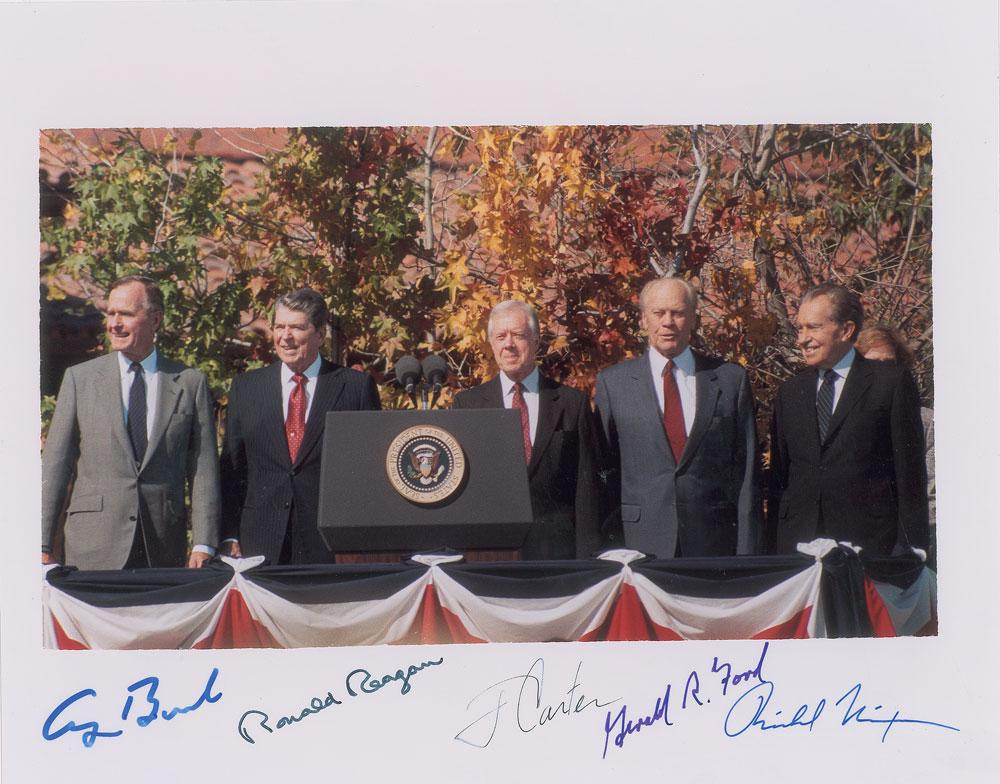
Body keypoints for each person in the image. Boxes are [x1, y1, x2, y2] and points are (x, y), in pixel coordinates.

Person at [41, 275, 221, 569]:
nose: (114, 323)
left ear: (155, 320)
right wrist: (43, 543)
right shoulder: (80, 379)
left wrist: (203, 544)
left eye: (125, 314)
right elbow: (56, 465)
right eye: (110, 313)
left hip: (162, 547)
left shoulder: (190, 383)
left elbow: (203, 470)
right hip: (93, 546)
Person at [595, 277, 762, 558]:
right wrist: (609, 550)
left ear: (694, 319)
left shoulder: (730, 380)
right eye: (659, 313)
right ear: (643, 320)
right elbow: (602, 474)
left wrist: (747, 552)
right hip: (639, 544)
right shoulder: (614, 384)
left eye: (678, 312)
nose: (668, 322)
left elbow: (746, 473)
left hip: (714, 542)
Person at [220, 288, 381, 564]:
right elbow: (232, 469)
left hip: (330, 543)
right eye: (279, 327)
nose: (285, 337)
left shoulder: (354, 386)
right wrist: (229, 534)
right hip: (260, 541)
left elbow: (370, 468)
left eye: (296, 327)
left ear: (320, 334)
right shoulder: (247, 388)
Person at [767, 283, 929, 556]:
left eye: (813, 327)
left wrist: (911, 550)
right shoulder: (790, 393)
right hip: (798, 549)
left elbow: (910, 476)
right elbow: (780, 480)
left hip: (871, 547)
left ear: (846, 330)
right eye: (800, 328)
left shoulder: (889, 383)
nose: (802, 339)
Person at [452, 300, 602, 559]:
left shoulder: (571, 403)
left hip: (558, 551)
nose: (508, 344)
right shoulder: (468, 405)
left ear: (536, 341)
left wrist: (588, 559)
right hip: (489, 554)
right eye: (500, 336)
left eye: (518, 335)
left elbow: (587, 489)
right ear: (492, 344)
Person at [855, 324, 935, 556]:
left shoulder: (927, 423)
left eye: (888, 363)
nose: (880, 372)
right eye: (871, 363)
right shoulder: (842, 422)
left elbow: (930, 496)